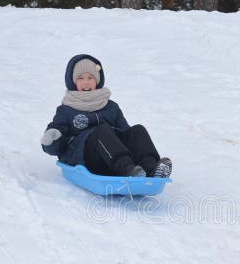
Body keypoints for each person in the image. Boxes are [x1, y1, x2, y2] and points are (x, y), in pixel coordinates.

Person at [41, 54, 172, 178]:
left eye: (90, 78)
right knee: (101, 131)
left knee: (137, 130)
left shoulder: (111, 107)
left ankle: (151, 169)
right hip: (85, 159)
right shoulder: (66, 110)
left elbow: (126, 133)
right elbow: (57, 142)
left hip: (111, 157)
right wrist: (52, 139)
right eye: (80, 78)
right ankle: (127, 170)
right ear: (73, 81)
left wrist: (132, 139)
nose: (86, 82)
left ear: (97, 80)